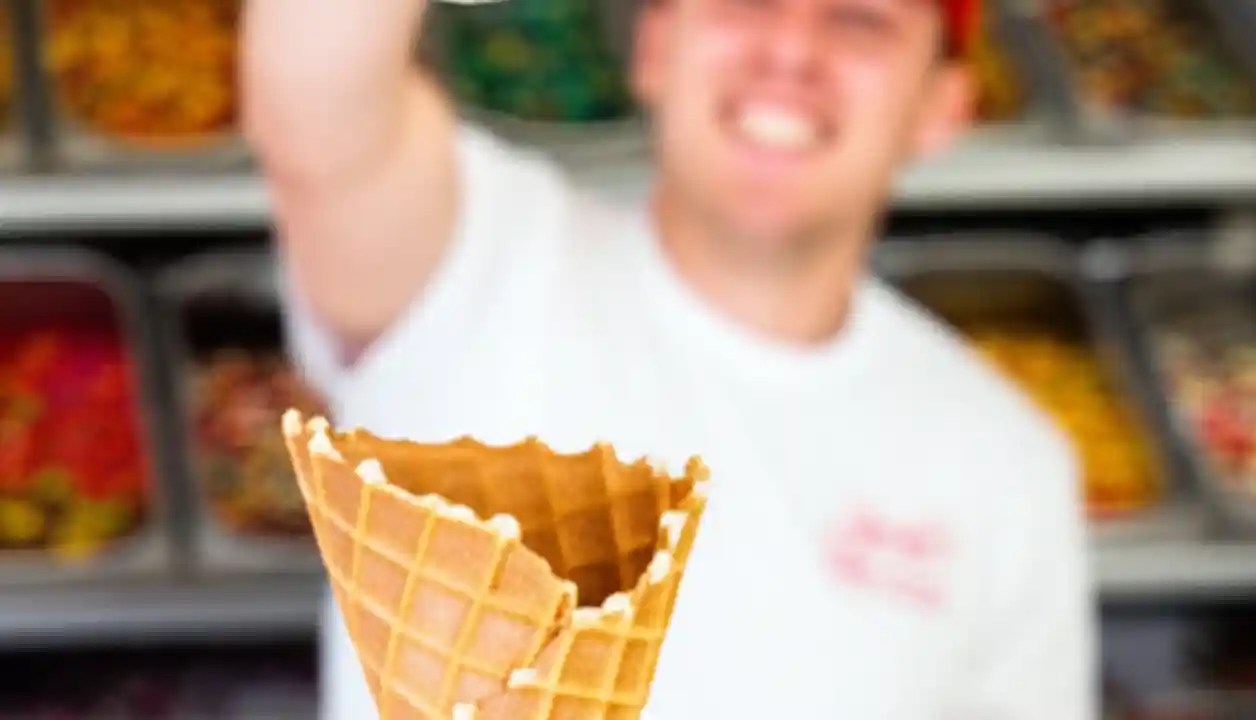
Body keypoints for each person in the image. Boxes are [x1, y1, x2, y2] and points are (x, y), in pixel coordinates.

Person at [244, 0, 1094, 716]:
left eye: (861, 21)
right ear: (654, 46)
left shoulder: (1006, 464)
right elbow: (317, 110)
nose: (791, 50)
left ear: (941, 108)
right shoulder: (471, 261)